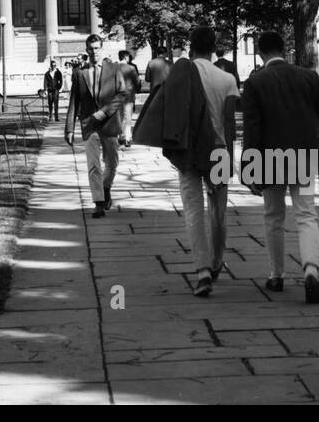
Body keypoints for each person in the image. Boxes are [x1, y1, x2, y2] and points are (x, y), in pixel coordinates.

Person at [133, 26, 236, 297]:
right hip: (219, 150)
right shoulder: (226, 79)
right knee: (219, 212)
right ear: (214, 47)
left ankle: (202, 270)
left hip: (189, 150)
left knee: (193, 210)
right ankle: (216, 263)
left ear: (191, 46)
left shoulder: (180, 73)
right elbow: (229, 123)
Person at [241, 31, 319, 305]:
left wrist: (250, 166)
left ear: (260, 53)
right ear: (283, 49)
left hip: (270, 156)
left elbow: (252, 130)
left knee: (273, 216)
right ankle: (311, 270)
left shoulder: (255, 82)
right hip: (304, 154)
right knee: (307, 214)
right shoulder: (308, 77)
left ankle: (276, 274)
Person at [64, 33, 135, 219]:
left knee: (112, 163)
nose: (94, 52)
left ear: (101, 49)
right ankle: (98, 203)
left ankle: (105, 188)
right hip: (89, 125)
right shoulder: (80, 73)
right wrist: (69, 128)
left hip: (109, 124)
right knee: (93, 165)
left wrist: (105, 112)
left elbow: (122, 94)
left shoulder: (114, 69)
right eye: (90, 48)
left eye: (96, 48)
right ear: (86, 50)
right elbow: (74, 101)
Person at [116, 49, 141, 147]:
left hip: (117, 95)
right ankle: (127, 137)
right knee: (128, 117)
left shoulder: (114, 68)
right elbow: (137, 82)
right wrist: (137, 89)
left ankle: (119, 136)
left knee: (119, 117)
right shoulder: (131, 68)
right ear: (126, 57)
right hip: (129, 95)